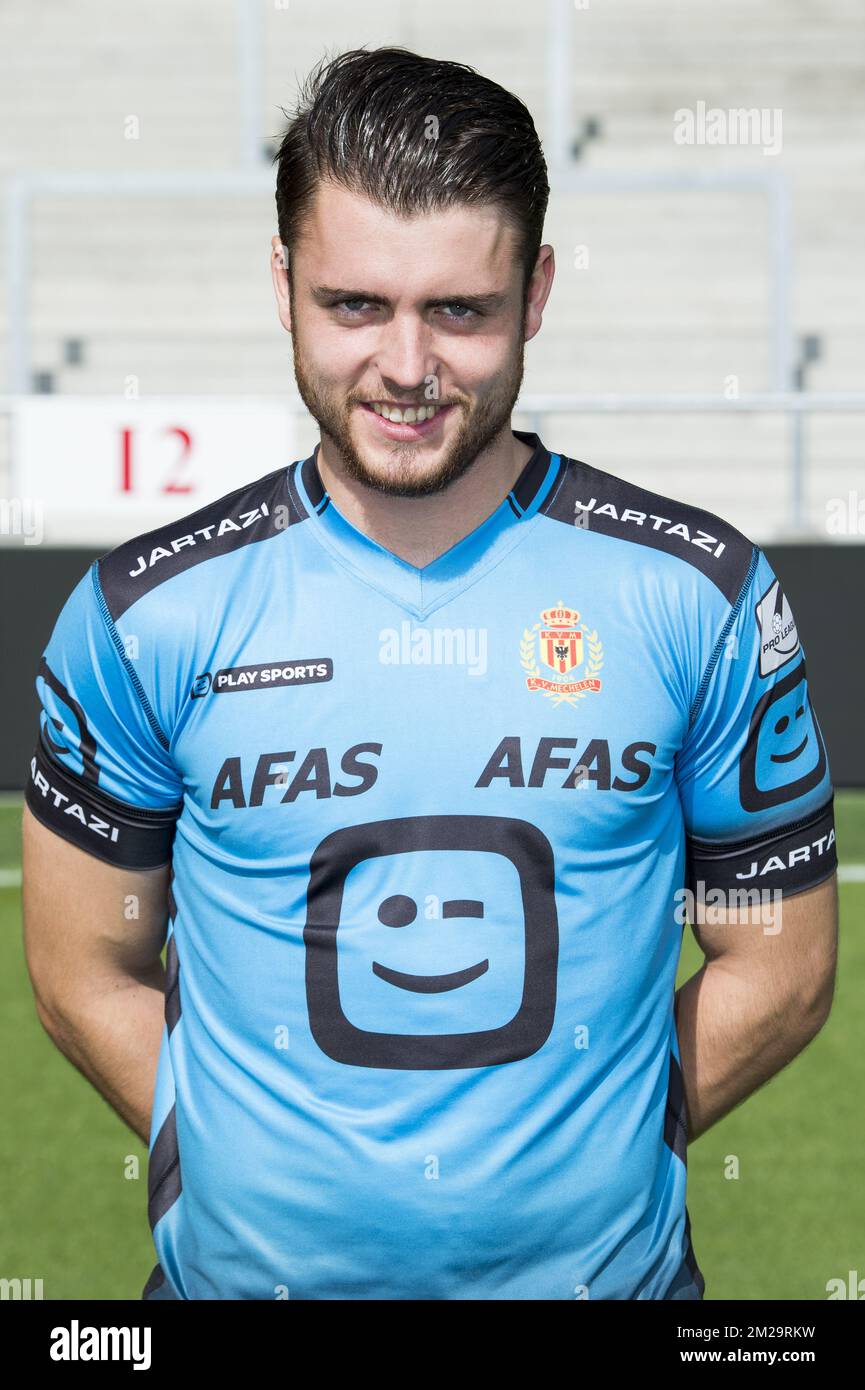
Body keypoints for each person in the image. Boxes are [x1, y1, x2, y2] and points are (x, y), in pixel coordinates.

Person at [21, 45, 838, 1301]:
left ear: (539, 289)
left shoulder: (701, 592)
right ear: (283, 284)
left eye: (459, 309)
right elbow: (82, 967)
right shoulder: (144, 612)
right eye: (355, 305)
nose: (407, 366)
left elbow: (779, 961)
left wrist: (609, 1129)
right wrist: (225, 1153)